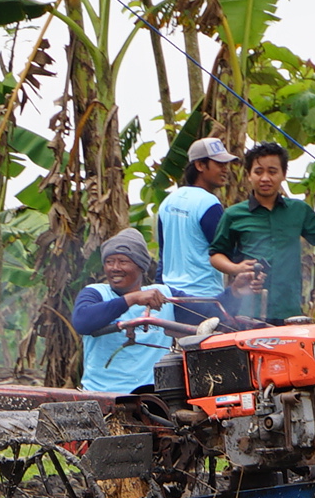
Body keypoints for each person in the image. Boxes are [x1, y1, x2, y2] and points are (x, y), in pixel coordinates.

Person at [209, 142, 315, 324]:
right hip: (245, 312)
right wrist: (236, 268)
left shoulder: (298, 210)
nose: (265, 178)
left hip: (289, 311)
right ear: (248, 175)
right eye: (258, 171)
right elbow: (216, 254)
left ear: (283, 175)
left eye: (272, 172)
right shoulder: (234, 214)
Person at [71, 230, 175, 394]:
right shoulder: (96, 293)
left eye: (123, 262)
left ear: (141, 266)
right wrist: (132, 299)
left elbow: (209, 311)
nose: (115, 268)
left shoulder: (163, 294)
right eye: (109, 262)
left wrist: (231, 295)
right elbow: (82, 322)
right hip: (102, 395)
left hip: (155, 396)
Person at [159, 137, 239, 325]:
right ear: (200, 165)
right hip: (204, 300)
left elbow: (163, 256)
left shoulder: (168, 202)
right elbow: (225, 251)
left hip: (171, 299)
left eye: (226, 163)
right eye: (219, 164)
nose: (225, 169)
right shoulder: (208, 203)